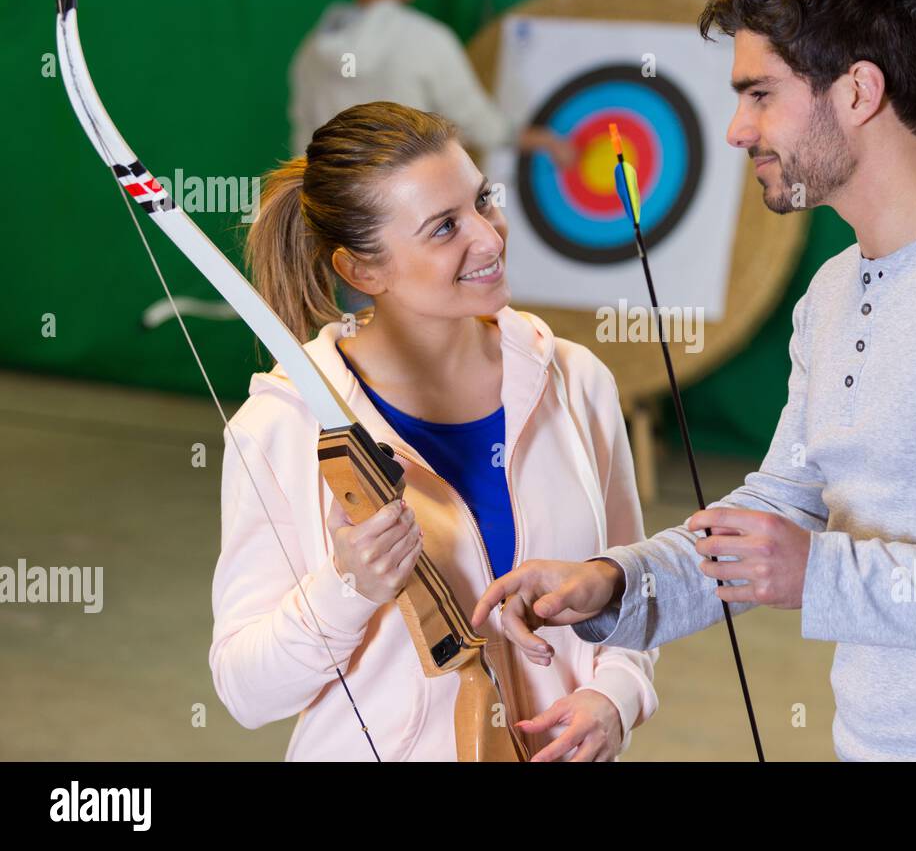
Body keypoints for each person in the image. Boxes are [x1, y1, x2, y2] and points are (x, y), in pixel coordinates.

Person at [473, 0, 916, 762]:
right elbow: (781, 508)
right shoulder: (832, 291)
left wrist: (822, 575)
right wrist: (618, 582)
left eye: (760, 94)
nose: (736, 131)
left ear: (858, 92)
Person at [210, 101, 655, 761]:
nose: (490, 236)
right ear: (362, 271)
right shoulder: (280, 424)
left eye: (483, 201)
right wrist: (347, 586)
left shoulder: (576, 380)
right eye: (444, 227)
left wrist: (616, 696)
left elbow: (634, 587)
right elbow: (246, 692)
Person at [289, 0, 572, 164]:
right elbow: (477, 123)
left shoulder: (311, 50)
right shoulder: (424, 38)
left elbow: (303, 143)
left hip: (334, 210)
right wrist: (544, 141)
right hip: (410, 208)